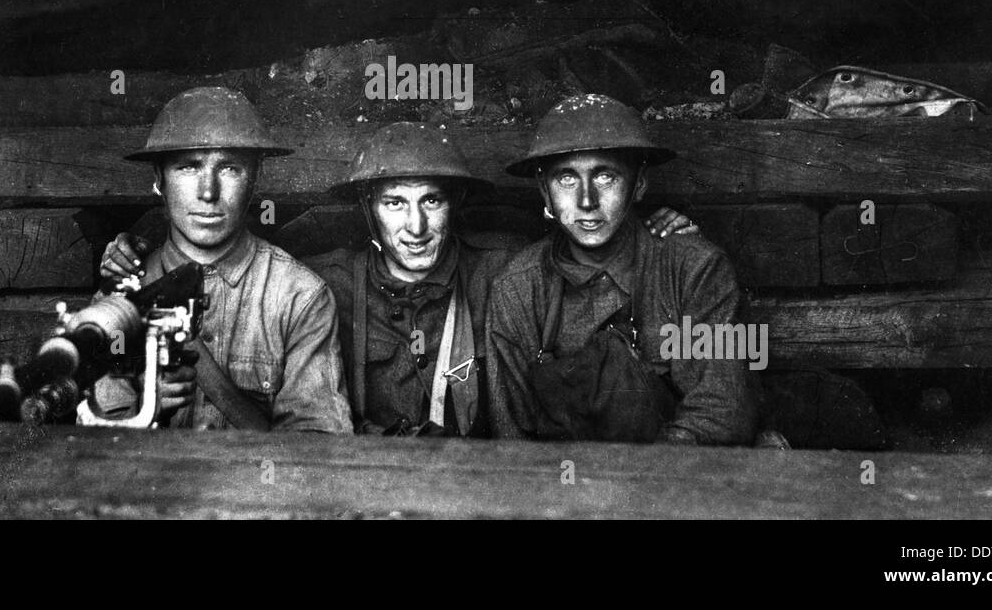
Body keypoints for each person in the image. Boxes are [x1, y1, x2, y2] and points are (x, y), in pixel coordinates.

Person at [102, 119, 698, 437]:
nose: (414, 227)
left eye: (432, 202)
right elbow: (234, 246)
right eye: (393, 204)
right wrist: (129, 248)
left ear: (457, 206)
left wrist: (656, 230)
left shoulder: (507, 275)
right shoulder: (324, 281)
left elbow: (580, 260)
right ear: (366, 212)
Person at [487, 93, 760, 445]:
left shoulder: (694, 269)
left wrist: (635, 481)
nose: (587, 201)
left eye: (605, 177)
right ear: (544, 190)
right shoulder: (519, 288)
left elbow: (723, 409)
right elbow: (511, 435)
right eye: (567, 179)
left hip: (678, 482)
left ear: (639, 183)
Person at [90, 86, 352, 433]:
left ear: (255, 178)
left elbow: (316, 451)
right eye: (188, 167)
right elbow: (94, 446)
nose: (208, 191)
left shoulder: (299, 297)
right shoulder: (119, 299)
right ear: (158, 180)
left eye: (229, 168)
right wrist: (143, 410)